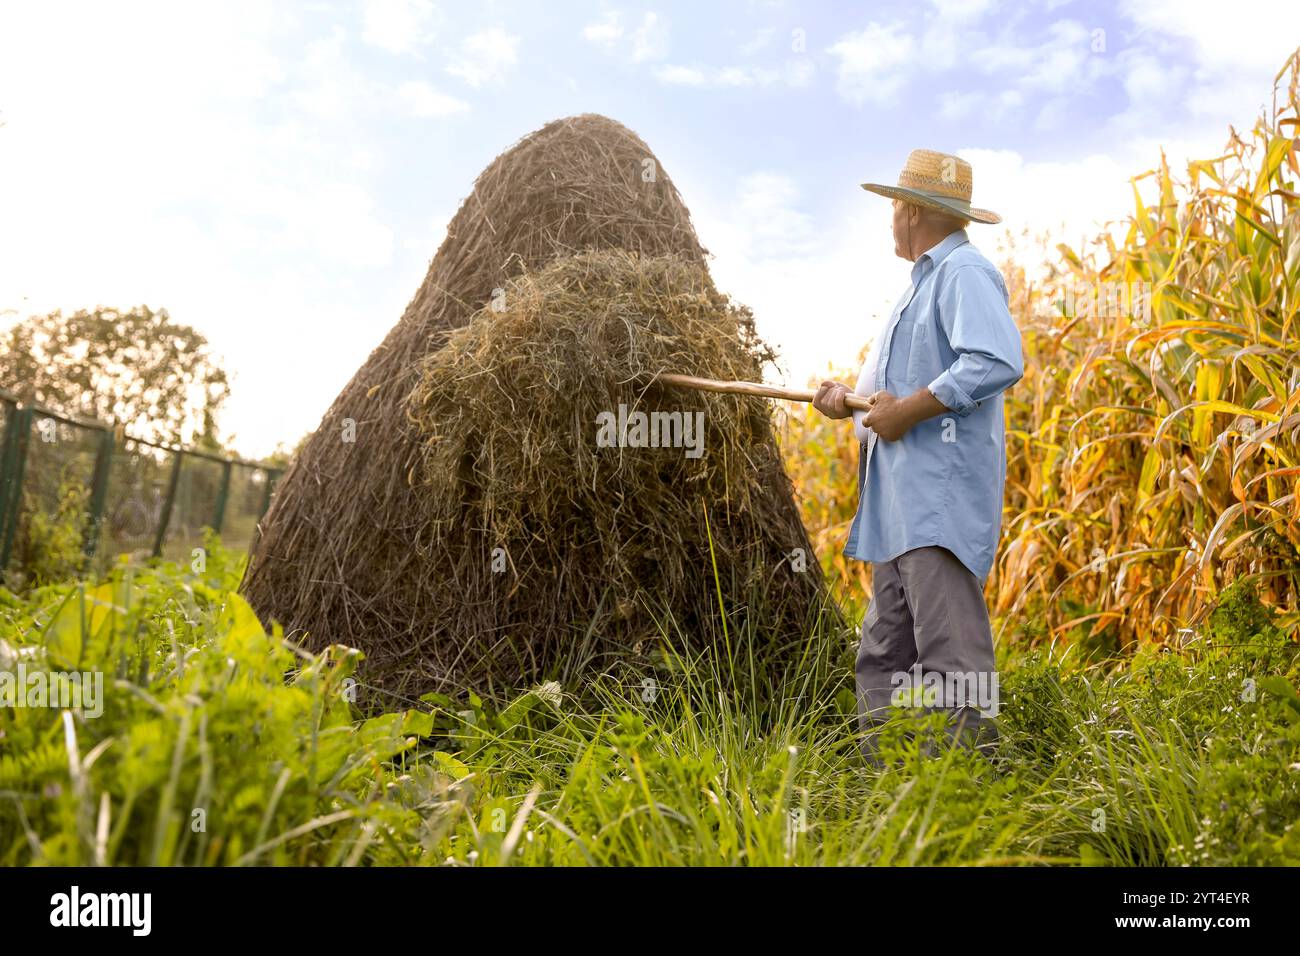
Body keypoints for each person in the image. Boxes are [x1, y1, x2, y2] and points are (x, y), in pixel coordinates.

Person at [812, 148, 1024, 766]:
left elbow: (994, 361)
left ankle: (965, 803)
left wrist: (907, 412)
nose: (889, 221)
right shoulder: (917, 289)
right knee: (882, 655)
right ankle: (892, 791)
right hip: (897, 510)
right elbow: (881, 395)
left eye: (893, 209)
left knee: (951, 658)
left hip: (938, 503)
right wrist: (842, 401)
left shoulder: (963, 273)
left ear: (912, 210)